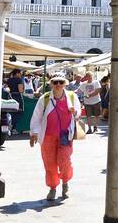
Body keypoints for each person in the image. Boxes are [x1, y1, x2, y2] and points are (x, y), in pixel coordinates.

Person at [29, 73, 81, 202]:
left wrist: (75, 112)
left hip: (65, 135)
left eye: (60, 82)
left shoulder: (72, 96)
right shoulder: (45, 98)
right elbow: (36, 117)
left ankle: (65, 182)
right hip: (47, 137)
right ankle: (52, 188)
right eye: (55, 82)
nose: (58, 85)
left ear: (65, 83)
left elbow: (78, 113)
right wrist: (34, 133)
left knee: (65, 160)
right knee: (49, 164)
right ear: (51, 83)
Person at [78, 70, 103, 134]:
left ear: (92, 76)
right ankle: (89, 129)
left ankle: (95, 127)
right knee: (88, 116)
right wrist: (71, 92)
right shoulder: (84, 84)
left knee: (96, 115)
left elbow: (97, 91)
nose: (89, 77)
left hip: (96, 101)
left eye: (90, 76)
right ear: (86, 77)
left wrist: (89, 95)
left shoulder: (96, 82)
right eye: (88, 76)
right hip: (87, 103)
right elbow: (79, 91)